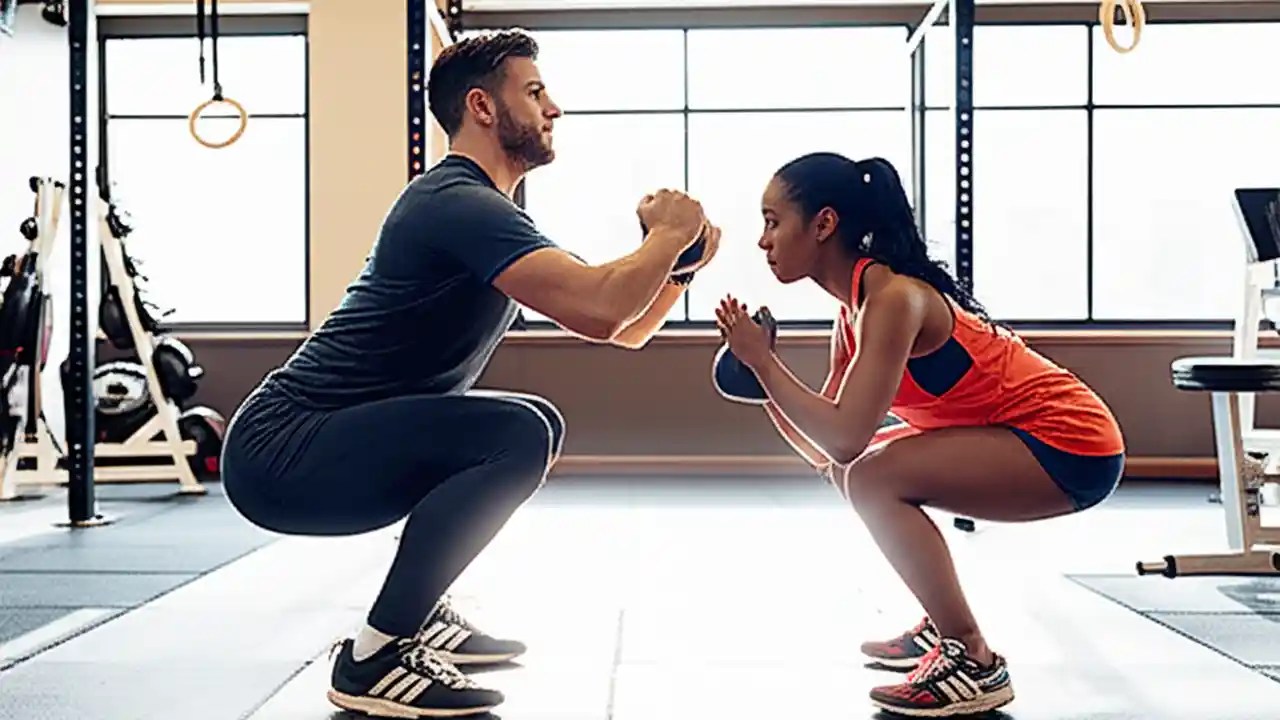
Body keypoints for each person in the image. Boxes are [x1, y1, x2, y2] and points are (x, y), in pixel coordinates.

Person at [218, 29, 719, 719]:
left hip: (318, 446)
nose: (554, 109)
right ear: (483, 106)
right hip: (283, 450)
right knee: (518, 432)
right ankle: (374, 658)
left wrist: (678, 268)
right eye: (535, 92)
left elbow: (624, 328)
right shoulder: (457, 203)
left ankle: (422, 613)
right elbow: (603, 310)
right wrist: (667, 234)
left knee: (532, 425)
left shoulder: (491, 211)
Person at [713, 152, 1124, 718]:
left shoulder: (893, 300)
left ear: (824, 224)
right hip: (1025, 440)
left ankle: (973, 659)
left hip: (1071, 446)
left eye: (772, 221)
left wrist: (765, 364)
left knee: (872, 477)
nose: (763, 241)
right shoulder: (853, 310)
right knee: (858, 475)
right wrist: (764, 380)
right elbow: (828, 451)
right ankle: (941, 625)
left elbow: (845, 439)